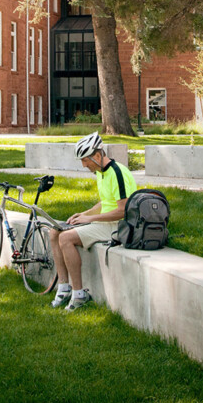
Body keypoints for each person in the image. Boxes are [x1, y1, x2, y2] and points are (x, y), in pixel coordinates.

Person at [49, 132, 137, 311]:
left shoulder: (117, 173)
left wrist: (90, 219)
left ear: (98, 155)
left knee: (66, 238)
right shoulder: (101, 172)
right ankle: (64, 288)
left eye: (85, 159)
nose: (83, 164)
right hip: (104, 222)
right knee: (54, 232)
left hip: (117, 226)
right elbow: (106, 202)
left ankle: (79, 294)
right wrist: (84, 213)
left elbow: (122, 210)